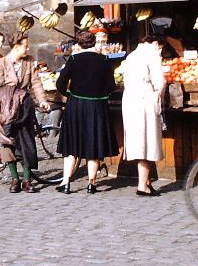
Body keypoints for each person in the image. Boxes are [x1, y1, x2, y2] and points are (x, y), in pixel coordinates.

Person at [54, 29, 118, 194]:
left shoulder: (74, 59)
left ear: (78, 43)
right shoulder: (104, 60)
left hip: (76, 105)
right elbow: (111, 85)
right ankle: (91, 183)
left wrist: (68, 94)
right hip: (97, 106)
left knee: (72, 144)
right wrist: (102, 94)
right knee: (94, 143)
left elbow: (60, 82)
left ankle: (66, 182)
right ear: (94, 42)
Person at [0, 32, 50, 193]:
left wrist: (42, 99)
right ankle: (14, 179)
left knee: (27, 144)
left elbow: (35, 83)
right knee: (8, 144)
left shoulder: (29, 62)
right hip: (5, 111)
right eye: (25, 46)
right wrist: (10, 101)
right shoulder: (0, 63)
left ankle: (27, 179)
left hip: (24, 110)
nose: (28, 48)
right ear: (16, 47)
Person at [121, 35, 166, 196]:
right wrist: (158, 97)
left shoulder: (131, 55)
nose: (160, 51)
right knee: (147, 142)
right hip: (145, 98)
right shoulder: (152, 54)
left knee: (138, 140)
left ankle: (147, 182)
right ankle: (142, 185)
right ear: (155, 43)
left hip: (129, 99)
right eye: (160, 47)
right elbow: (160, 81)